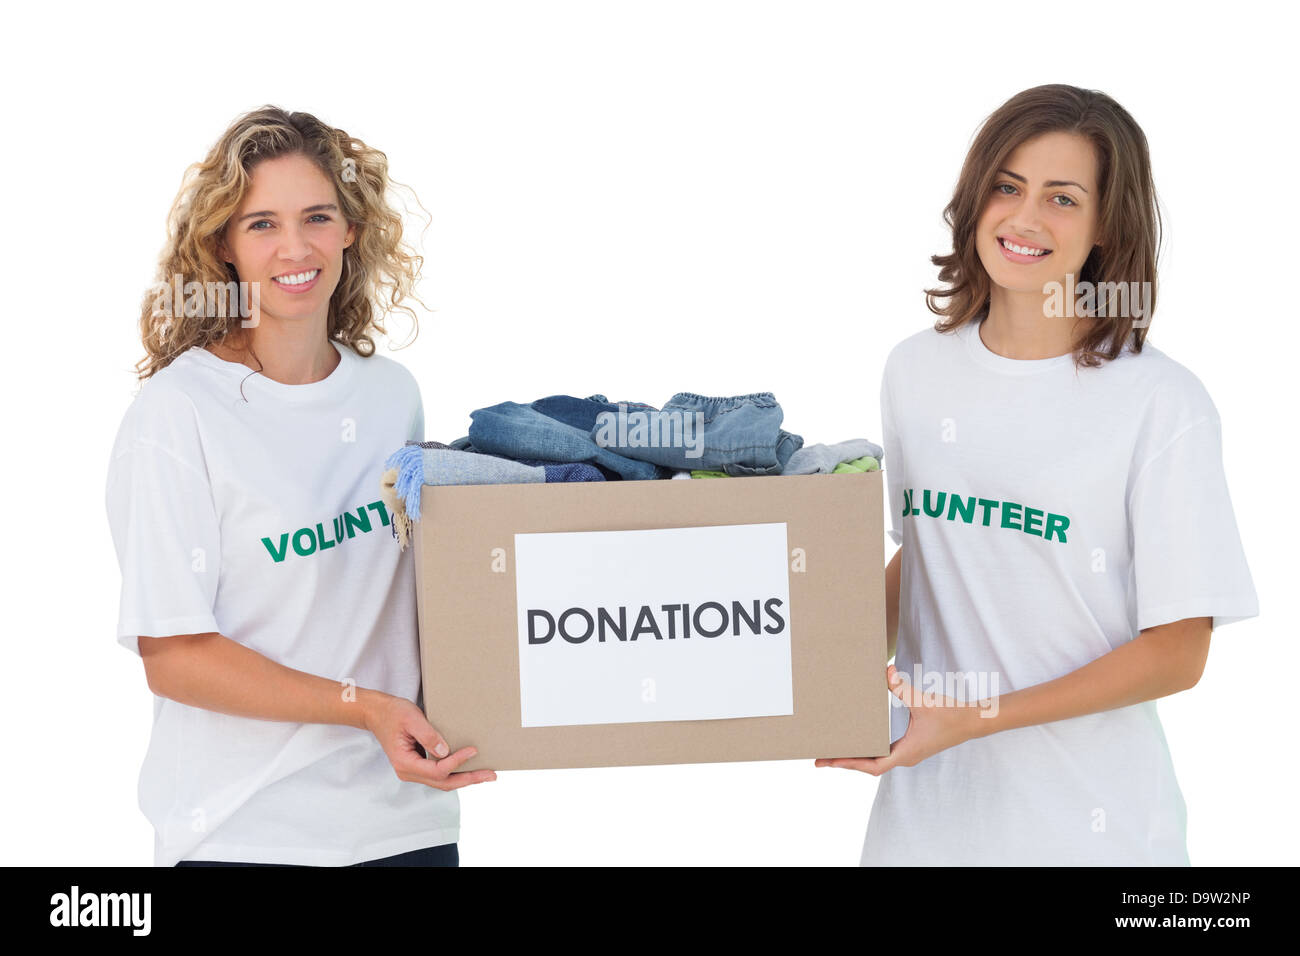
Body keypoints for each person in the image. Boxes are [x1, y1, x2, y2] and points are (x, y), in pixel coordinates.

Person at [816, 84, 1258, 865]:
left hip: (1091, 830)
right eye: (1007, 187)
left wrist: (979, 714)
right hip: (923, 823)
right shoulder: (915, 371)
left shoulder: (1160, 402)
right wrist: (810, 672)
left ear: (1103, 227)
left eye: (1062, 198)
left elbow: (1179, 651)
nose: (1024, 219)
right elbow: (930, 552)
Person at [105, 106, 495, 867]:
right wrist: (365, 709)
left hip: (406, 824)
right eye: (261, 224)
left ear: (351, 228)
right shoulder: (178, 416)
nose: (295, 247)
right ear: (222, 243)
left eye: (317, 216)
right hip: (249, 835)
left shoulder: (391, 396)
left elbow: (427, 594)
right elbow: (174, 653)